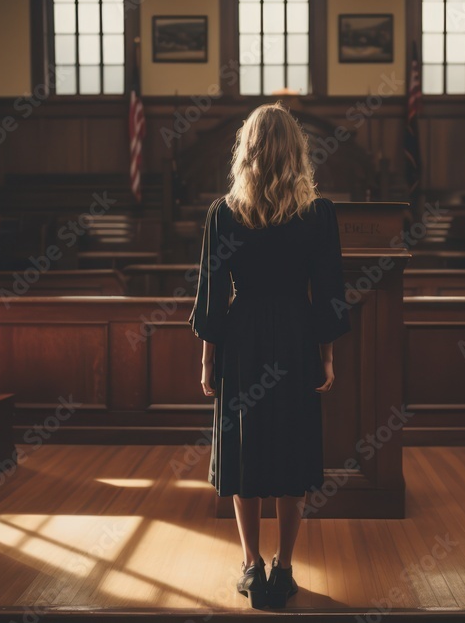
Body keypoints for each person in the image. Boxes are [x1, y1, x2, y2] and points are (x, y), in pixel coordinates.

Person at [188, 102, 351, 609]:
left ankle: (251, 567)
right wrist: (326, 356)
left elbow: (213, 297)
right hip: (297, 338)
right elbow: (328, 293)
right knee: (292, 450)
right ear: (296, 151)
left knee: (246, 452)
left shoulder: (224, 213)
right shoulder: (318, 214)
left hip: (243, 340)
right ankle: (284, 568)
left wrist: (207, 361)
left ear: (248, 151)